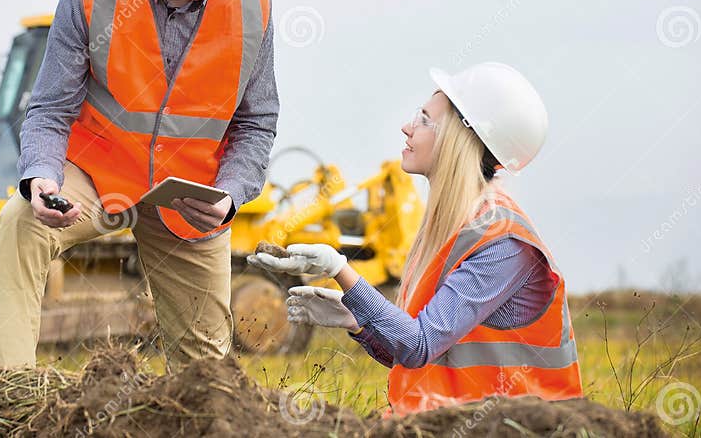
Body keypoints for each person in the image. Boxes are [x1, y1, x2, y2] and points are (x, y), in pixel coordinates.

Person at [0, 0, 278, 371]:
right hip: (96, 173)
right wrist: (41, 179)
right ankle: (6, 396)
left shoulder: (254, 7)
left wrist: (231, 195)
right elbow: (49, 108)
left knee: (207, 371)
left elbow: (256, 122)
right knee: (21, 222)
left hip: (189, 198)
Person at [249, 62, 582, 415]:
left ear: (458, 138)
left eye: (424, 119)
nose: (407, 127)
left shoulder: (502, 243)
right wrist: (354, 319)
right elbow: (411, 350)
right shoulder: (456, 226)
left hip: (528, 427)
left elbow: (419, 345)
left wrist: (340, 270)